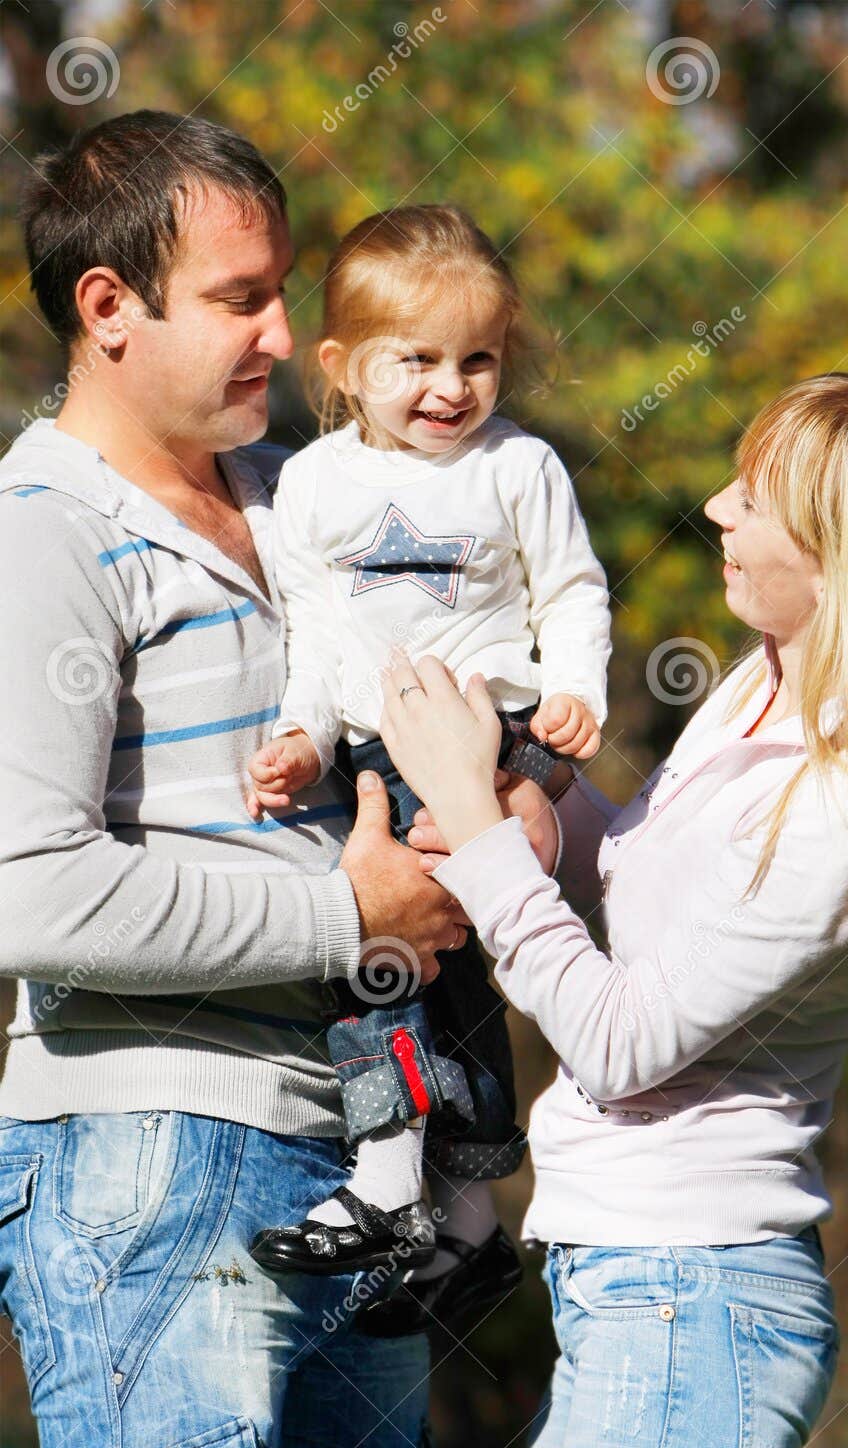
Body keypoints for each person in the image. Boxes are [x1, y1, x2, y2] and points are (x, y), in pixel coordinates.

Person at [375, 373, 848, 1448]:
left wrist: (471, 821)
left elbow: (620, 1038)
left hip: (693, 1296)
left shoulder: (841, 803)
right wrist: (541, 808)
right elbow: (639, 889)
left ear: (843, 554)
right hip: (633, 1288)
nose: (720, 507)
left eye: (758, 498)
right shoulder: (759, 688)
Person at [0, 111, 464, 1448]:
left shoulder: (307, 503)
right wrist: (343, 909)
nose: (283, 332)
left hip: (353, 1159)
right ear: (107, 310)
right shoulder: (44, 535)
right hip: (153, 1149)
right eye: (239, 297)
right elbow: (30, 889)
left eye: (281, 292)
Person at [243, 205, 610, 1327]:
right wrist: (305, 735)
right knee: (438, 976)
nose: (451, 387)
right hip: (366, 750)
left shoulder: (518, 467)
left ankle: (387, 1186)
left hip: (480, 741)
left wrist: (577, 687)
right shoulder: (309, 488)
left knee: (379, 959)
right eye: (417, 360)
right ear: (343, 368)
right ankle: (469, 1222)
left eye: (478, 359)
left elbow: (572, 588)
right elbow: (314, 637)